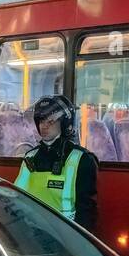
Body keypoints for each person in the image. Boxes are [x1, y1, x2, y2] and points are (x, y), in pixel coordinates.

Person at [14, 95, 100, 229]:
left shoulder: (81, 159)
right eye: (41, 121)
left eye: (51, 121)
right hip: (32, 234)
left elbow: (87, 213)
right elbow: (17, 198)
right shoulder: (30, 157)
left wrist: (80, 245)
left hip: (66, 237)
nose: (44, 126)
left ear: (64, 123)